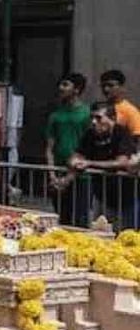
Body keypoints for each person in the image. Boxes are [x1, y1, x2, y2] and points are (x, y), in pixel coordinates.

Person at [70, 102, 140, 228]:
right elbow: (76, 155)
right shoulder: (90, 134)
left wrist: (89, 163)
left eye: (98, 118)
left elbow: (122, 162)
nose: (94, 122)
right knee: (100, 234)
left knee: (127, 236)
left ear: (112, 118)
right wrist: (75, 162)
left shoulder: (121, 133)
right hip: (102, 195)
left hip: (127, 197)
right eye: (91, 117)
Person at [45, 73, 91, 227]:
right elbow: (50, 147)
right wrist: (52, 175)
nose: (61, 88)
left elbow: (88, 148)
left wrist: (69, 177)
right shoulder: (55, 116)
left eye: (65, 84)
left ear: (77, 89)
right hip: (58, 173)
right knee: (61, 219)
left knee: (79, 220)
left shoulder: (87, 114)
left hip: (81, 175)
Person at [99, 70, 140, 137]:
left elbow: (137, 140)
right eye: (103, 86)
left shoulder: (131, 111)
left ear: (121, 87)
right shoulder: (100, 108)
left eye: (110, 85)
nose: (106, 89)